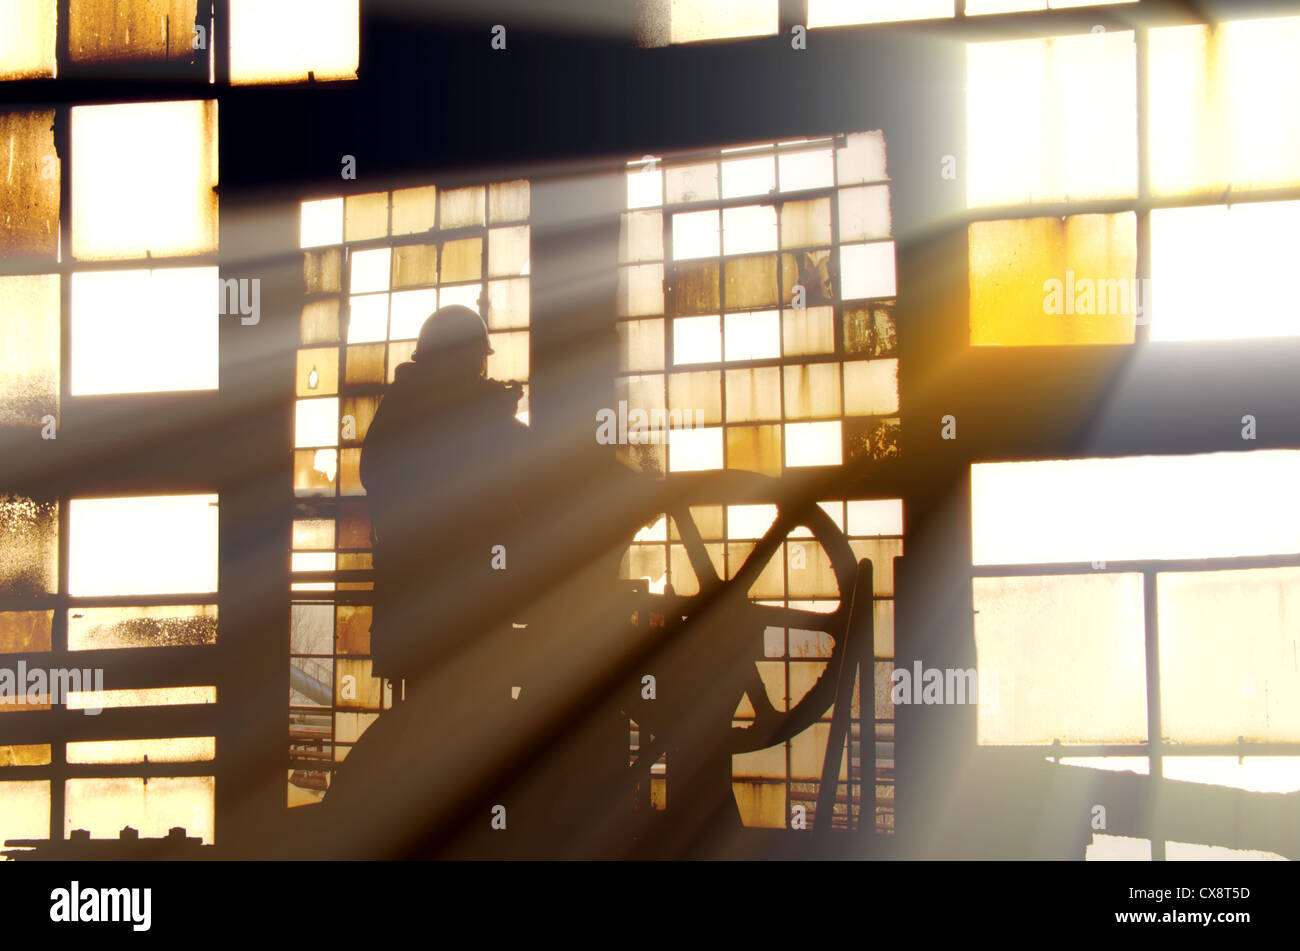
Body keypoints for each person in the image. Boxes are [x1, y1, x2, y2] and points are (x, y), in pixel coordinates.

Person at [360, 305, 530, 691]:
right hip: (461, 604)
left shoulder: (402, 409)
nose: (478, 370)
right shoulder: (460, 415)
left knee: (429, 720)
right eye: (473, 359)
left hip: (416, 609)